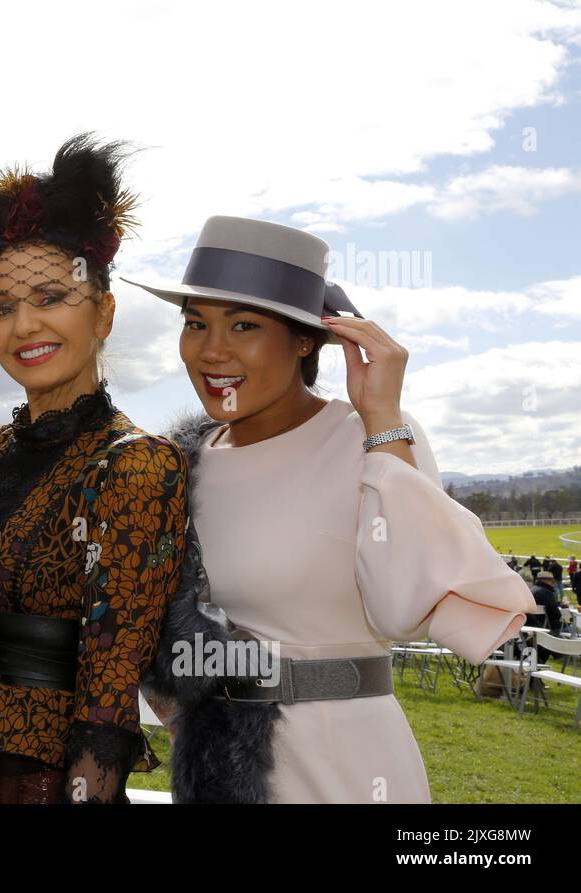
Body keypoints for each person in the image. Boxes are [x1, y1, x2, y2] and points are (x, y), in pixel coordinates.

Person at [121, 215, 534, 803]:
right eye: (195, 323)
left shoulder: (367, 437)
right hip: (216, 774)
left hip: (348, 767)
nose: (212, 350)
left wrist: (383, 420)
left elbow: (407, 610)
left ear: (306, 339)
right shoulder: (177, 464)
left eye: (243, 325)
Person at [0, 135, 187, 803]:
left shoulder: (138, 466)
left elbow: (109, 703)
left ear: (104, 312)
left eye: (51, 296)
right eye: (2, 306)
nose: (23, 324)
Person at [532, 571, 562, 637]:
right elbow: (556, 613)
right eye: (552, 581)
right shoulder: (546, 592)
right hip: (546, 626)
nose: (553, 583)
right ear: (546, 581)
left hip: (532, 624)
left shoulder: (532, 589)